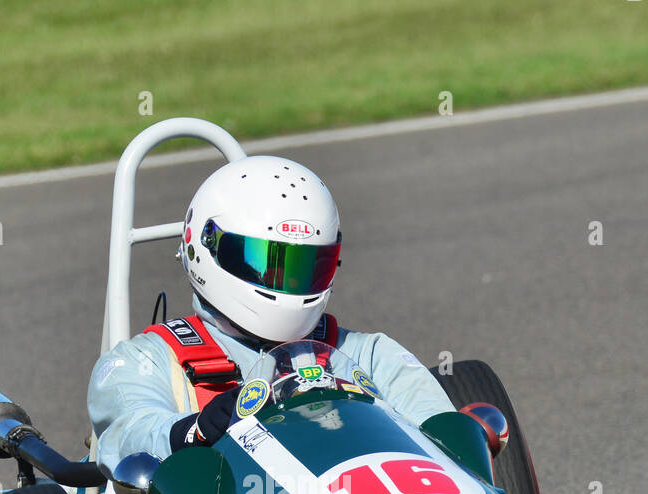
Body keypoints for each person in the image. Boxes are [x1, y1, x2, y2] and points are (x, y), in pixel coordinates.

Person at [87, 155, 455, 474]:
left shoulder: (368, 354)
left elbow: (445, 441)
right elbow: (130, 434)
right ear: (207, 248)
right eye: (268, 264)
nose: (288, 283)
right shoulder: (145, 360)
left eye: (304, 266)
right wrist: (196, 430)